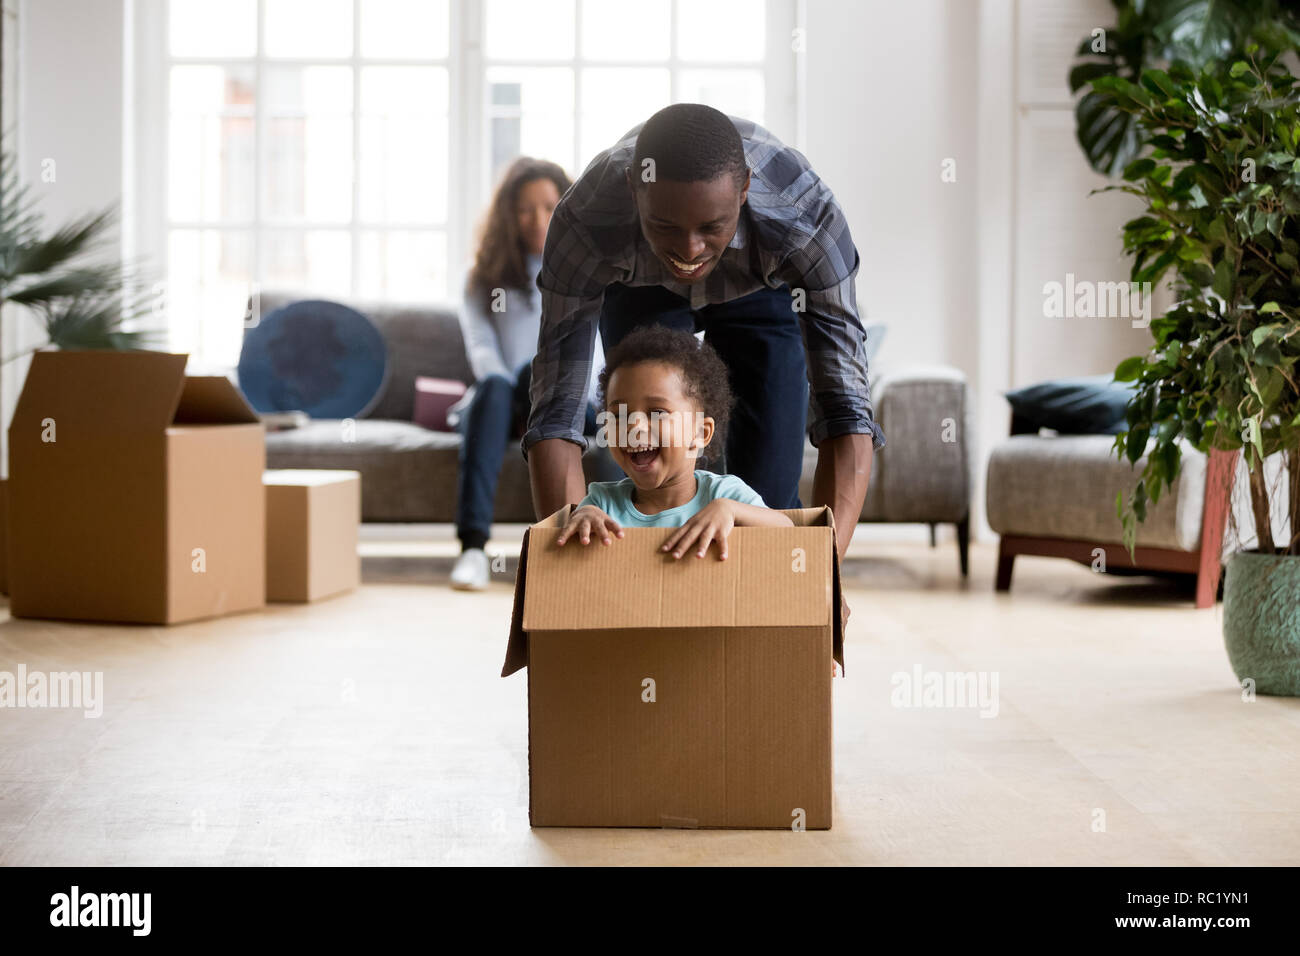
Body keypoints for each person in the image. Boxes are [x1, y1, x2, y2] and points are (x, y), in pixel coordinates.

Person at [521, 103, 885, 629]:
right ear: (633, 188)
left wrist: (821, 575)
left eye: (711, 226)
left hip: (763, 288)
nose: (689, 251)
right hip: (638, 288)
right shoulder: (586, 223)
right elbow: (555, 411)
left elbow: (846, 406)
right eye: (665, 225)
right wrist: (572, 570)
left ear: (744, 192)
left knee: (769, 499)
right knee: (646, 468)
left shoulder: (804, 219)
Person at [450, 157, 614, 590]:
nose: (538, 219)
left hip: (574, 399)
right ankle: (472, 549)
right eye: (525, 208)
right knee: (500, 382)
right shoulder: (483, 279)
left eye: (548, 206)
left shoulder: (589, 273)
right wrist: (511, 384)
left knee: (617, 411)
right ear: (508, 215)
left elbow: (594, 353)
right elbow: (482, 350)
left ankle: (622, 543)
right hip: (502, 400)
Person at [557, 324, 793, 556]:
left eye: (657, 412)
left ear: (700, 433)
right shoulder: (603, 503)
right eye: (619, 415)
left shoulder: (724, 495)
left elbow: (789, 532)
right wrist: (583, 517)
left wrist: (730, 511)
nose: (634, 426)